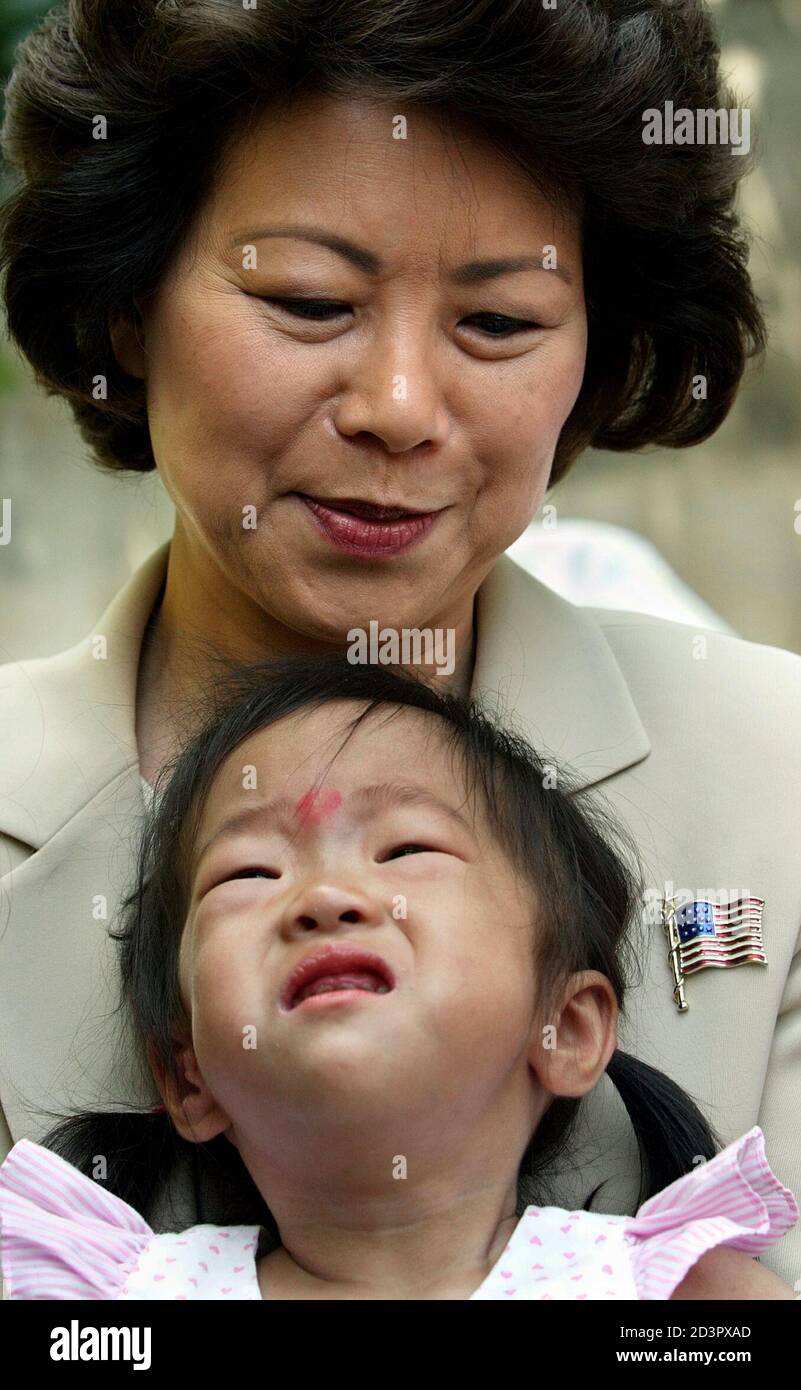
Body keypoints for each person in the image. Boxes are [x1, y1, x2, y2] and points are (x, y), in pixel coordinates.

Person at [1, 0, 800, 1291]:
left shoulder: (781, 774)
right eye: (310, 300)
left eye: (497, 324)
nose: (398, 408)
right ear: (130, 304)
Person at [0, 659, 797, 1301]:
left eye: (405, 851)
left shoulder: (680, 1295)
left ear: (570, 1028)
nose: (322, 898)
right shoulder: (102, 1299)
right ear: (188, 1076)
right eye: (249, 871)